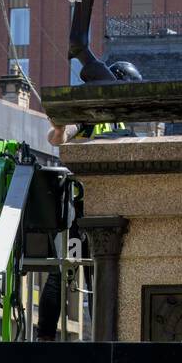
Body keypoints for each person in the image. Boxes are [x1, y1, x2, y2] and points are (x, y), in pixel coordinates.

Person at [37, 61, 141, 339]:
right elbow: (58, 137)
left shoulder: (123, 122)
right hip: (78, 212)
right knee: (64, 273)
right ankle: (44, 339)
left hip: (109, 212)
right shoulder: (89, 113)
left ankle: (102, 341)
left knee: (102, 277)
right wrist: (59, 127)